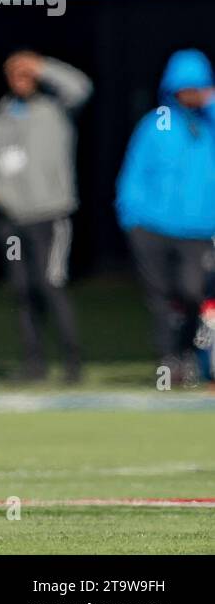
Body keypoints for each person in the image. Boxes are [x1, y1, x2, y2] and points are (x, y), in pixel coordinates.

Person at [0, 52, 92, 382]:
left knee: (51, 285)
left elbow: (81, 87)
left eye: (26, 74)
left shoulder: (55, 109)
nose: (21, 80)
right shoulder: (1, 118)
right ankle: (34, 364)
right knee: (23, 289)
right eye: (15, 74)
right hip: (13, 220)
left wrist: (42, 66)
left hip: (51, 217)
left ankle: (73, 362)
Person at [117, 49, 215, 385]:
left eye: (197, 87)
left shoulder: (211, 123)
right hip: (152, 228)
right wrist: (131, 217)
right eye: (184, 87)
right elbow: (134, 173)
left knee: (192, 292)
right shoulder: (154, 124)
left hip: (199, 229)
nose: (190, 93)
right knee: (158, 298)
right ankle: (168, 364)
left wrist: (210, 101)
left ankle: (188, 351)